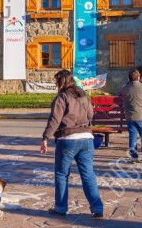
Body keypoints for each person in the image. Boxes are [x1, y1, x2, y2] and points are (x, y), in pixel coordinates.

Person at [40, 69, 104, 219]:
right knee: (88, 175)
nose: (56, 85)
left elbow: (55, 119)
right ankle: (97, 208)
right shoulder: (83, 95)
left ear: (60, 82)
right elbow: (90, 114)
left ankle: (61, 208)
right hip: (87, 138)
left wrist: (45, 137)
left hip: (67, 139)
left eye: (56, 82)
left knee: (61, 175)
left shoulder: (62, 97)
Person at [121, 69, 142, 162]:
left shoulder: (125, 88)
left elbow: (123, 93)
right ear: (138, 77)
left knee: (132, 136)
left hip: (130, 116)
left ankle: (134, 156)